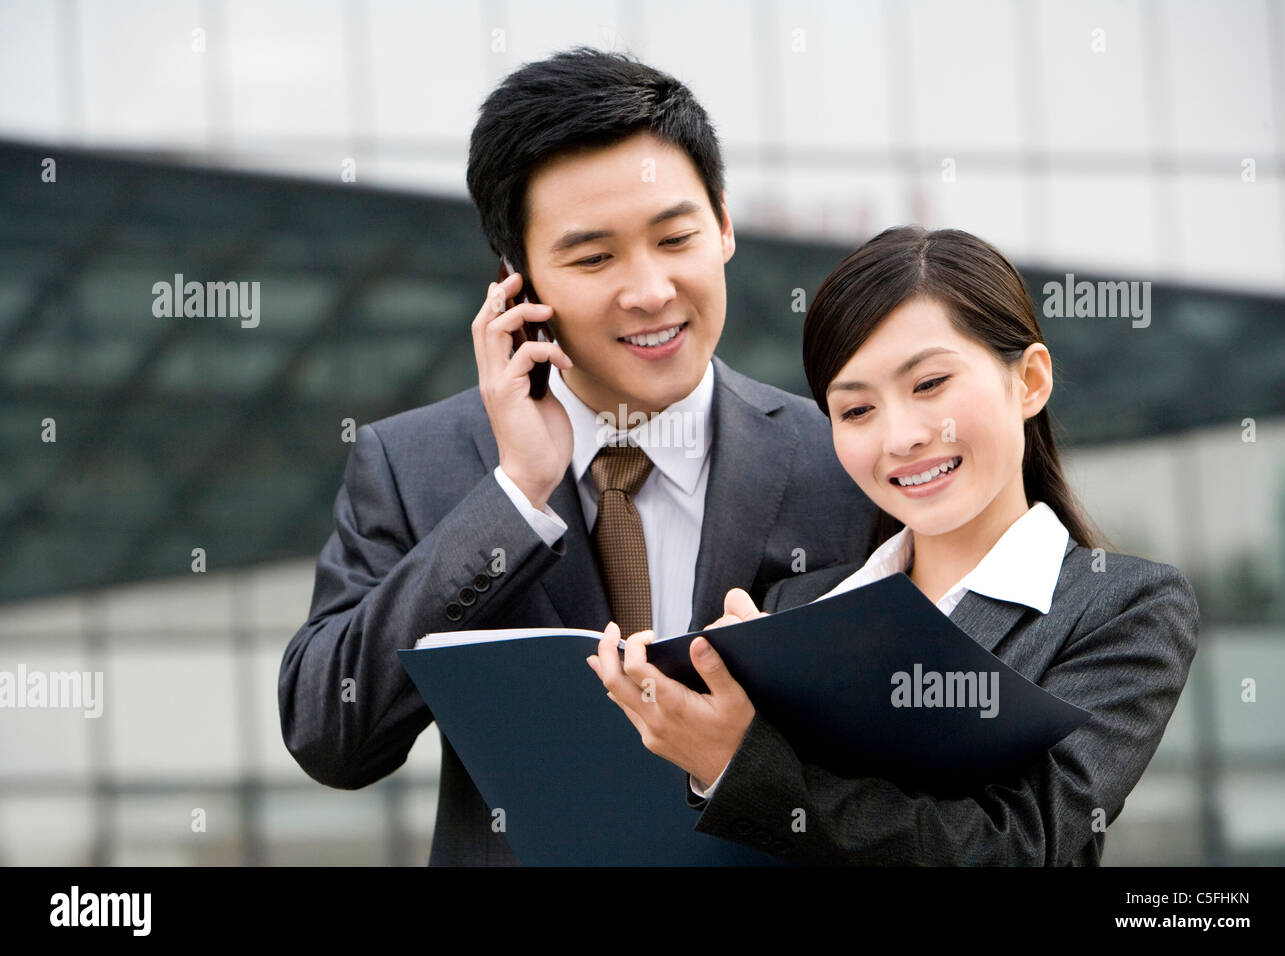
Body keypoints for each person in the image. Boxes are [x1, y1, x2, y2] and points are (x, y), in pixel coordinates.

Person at [277, 47, 877, 866]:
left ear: (726, 225)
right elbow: (329, 736)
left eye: (676, 238)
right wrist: (515, 496)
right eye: (594, 258)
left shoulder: (846, 456)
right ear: (517, 279)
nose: (650, 291)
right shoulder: (415, 463)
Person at [590, 225, 1199, 865]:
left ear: (1030, 381)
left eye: (929, 384)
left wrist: (737, 765)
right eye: (856, 411)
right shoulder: (795, 605)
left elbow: (1018, 846)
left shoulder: (1124, 607)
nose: (901, 438)